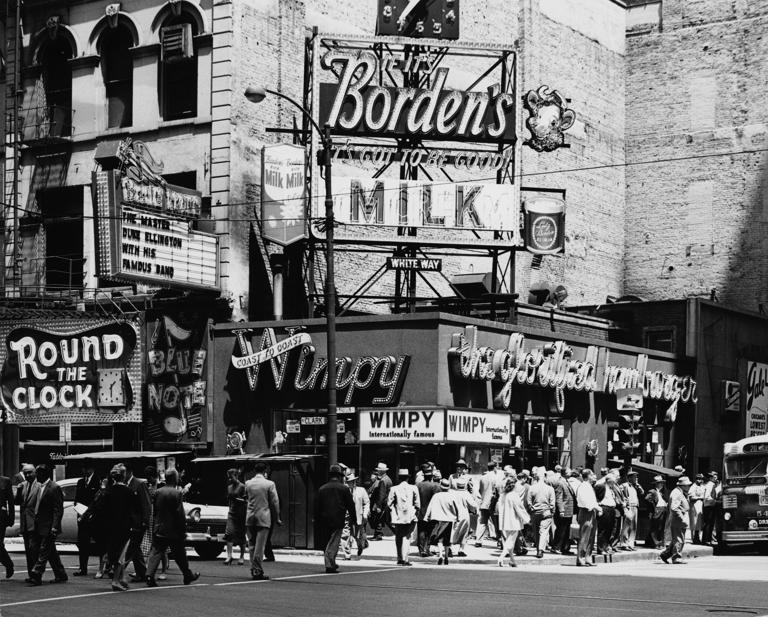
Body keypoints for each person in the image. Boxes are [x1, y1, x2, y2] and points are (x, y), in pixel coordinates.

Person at [146, 468, 200, 586]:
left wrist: (154, 526)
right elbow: (179, 513)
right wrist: (183, 530)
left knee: (156, 551)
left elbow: (155, 511)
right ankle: (187, 575)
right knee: (180, 554)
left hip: (159, 527)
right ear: (175, 478)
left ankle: (149, 575)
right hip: (174, 529)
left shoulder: (158, 492)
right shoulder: (177, 493)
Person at [28, 465, 67, 586]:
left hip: (49, 525)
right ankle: (61, 574)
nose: (35, 476)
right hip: (39, 524)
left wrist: (55, 526)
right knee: (45, 550)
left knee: (44, 550)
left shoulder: (54, 488)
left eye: (37, 473)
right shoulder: (39, 486)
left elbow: (58, 509)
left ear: (44, 474)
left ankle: (37, 574)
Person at [245, 462, 281, 580]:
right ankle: (257, 570)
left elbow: (246, 497)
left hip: (250, 516)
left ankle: (253, 568)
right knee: (260, 546)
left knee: (251, 544)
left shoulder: (248, 483)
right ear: (265, 471)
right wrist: (278, 517)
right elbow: (275, 501)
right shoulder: (269, 484)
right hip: (263, 517)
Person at [318, 464, 356, 574]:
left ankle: (331, 562)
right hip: (338, 519)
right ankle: (329, 564)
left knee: (327, 542)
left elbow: (317, 506)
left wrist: (317, 519)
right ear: (339, 476)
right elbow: (351, 505)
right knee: (334, 543)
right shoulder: (344, 489)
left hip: (324, 519)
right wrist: (353, 519)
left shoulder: (322, 489)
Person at [124, 463, 151, 583]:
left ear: (129, 471)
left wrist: (145, 521)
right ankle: (142, 573)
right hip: (129, 522)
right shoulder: (125, 484)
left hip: (138, 522)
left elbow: (146, 504)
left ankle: (118, 570)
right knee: (135, 549)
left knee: (132, 547)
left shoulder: (139, 484)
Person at [72, 463, 100, 576]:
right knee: (83, 543)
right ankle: (82, 568)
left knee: (100, 543)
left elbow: (98, 500)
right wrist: (78, 508)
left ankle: (103, 568)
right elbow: (77, 498)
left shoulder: (98, 481)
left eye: (87, 468)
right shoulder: (80, 482)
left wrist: (90, 512)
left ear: (92, 469)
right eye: (83, 468)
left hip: (94, 517)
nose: (85, 471)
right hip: (82, 515)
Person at [388, 469, 420, 566]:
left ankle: (399, 557)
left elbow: (389, 504)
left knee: (398, 537)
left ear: (399, 478)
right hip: (410, 516)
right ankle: (405, 558)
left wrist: (393, 513)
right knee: (407, 537)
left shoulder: (393, 489)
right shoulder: (414, 488)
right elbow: (417, 504)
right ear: (408, 478)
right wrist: (415, 513)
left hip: (398, 517)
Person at [497, 473, 530, 567]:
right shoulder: (514, 495)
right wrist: (527, 519)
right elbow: (520, 509)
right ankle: (501, 557)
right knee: (510, 542)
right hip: (513, 521)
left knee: (509, 540)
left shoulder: (503, 495)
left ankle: (512, 561)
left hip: (504, 521)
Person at [424, 479, 459, 565]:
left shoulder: (436, 496)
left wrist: (426, 516)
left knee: (439, 539)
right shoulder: (451, 496)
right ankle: (446, 556)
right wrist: (457, 518)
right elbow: (456, 508)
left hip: (438, 519)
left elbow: (430, 507)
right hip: (449, 520)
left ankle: (440, 555)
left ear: (441, 486)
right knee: (447, 539)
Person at [14, 463, 39, 581]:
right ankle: (31, 574)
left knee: (34, 550)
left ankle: (35, 575)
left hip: (35, 523)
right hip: (25, 524)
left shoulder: (39, 486)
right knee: (29, 551)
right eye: (25, 473)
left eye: (30, 473)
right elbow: (17, 502)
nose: (28, 475)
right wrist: (19, 491)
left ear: (35, 473)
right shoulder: (23, 485)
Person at [660, 476, 692, 564]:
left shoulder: (680, 492)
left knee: (677, 539)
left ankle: (666, 554)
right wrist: (682, 518)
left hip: (679, 519)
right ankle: (676, 557)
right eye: (688, 485)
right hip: (678, 520)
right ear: (683, 486)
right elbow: (674, 508)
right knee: (679, 539)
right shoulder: (677, 493)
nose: (689, 487)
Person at [526, 468, 555, 558]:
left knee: (536, 531)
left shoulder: (532, 488)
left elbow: (528, 501)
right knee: (543, 531)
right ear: (544, 477)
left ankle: (538, 548)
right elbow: (552, 503)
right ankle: (540, 550)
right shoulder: (550, 489)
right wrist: (552, 512)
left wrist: (531, 509)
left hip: (535, 511)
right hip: (546, 511)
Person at [575, 468, 601, 567]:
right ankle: (580, 558)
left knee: (591, 536)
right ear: (588, 476)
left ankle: (588, 558)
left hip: (591, 512)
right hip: (586, 511)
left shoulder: (589, 486)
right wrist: (596, 507)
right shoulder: (583, 486)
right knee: (584, 536)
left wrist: (597, 508)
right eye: (593, 474)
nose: (595, 476)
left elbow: (592, 500)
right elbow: (584, 501)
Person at [342, 470, 369, 559]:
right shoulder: (344, 491)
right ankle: (347, 554)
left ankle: (360, 545)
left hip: (358, 516)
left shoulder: (361, 490)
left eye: (353, 481)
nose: (352, 483)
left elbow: (367, 502)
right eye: (350, 481)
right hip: (346, 516)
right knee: (345, 534)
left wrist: (365, 513)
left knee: (357, 535)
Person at [594, 470, 622, 555]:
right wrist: (598, 509)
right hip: (604, 508)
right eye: (613, 482)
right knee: (603, 529)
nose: (614, 483)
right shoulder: (601, 486)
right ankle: (600, 548)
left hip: (611, 509)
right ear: (609, 481)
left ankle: (605, 547)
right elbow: (597, 498)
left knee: (609, 529)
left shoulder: (611, 489)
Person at [224, 468, 247, 565]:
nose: (230, 479)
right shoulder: (229, 487)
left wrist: (237, 499)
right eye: (228, 478)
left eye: (231, 477)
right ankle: (229, 556)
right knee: (229, 534)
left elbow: (246, 501)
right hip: (232, 513)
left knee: (241, 535)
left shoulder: (242, 487)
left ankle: (241, 556)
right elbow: (229, 500)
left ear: (236, 476)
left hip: (241, 514)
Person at [416, 463, 440, 557]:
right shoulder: (434, 486)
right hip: (431, 512)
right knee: (429, 532)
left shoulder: (418, 485)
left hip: (420, 512)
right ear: (431, 476)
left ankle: (421, 550)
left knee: (421, 531)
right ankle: (427, 549)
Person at [450, 477, 476, 557]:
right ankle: (461, 549)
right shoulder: (466, 493)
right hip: (464, 514)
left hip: (454, 514)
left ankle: (450, 548)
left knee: (453, 531)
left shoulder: (452, 493)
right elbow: (473, 504)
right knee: (464, 533)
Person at [474, 461, 499, 547]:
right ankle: (500, 540)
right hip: (493, 503)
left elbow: (479, 490)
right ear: (495, 467)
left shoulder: (482, 478)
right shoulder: (496, 478)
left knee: (482, 522)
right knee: (496, 523)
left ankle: (478, 540)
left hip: (484, 502)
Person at [619, 470, 644, 551]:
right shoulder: (624, 485)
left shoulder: (635, 486)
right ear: (629, 478)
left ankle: (631, 543)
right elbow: (621, 494)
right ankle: (624, 543)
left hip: (635, 506)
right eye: (634, 477)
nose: (636, 478)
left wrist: (638, 485)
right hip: (629, 507)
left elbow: (642, 493)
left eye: (636, 477)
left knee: (633, 526)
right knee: (626, 526)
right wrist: (625, 504)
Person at [553, 466, 575, 554]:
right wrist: (561, 510)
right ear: (565, 473)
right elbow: (559, 497)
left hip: (568, 510)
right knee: (561, 529)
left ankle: (565, 548)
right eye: (569, 471)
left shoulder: (566, 481)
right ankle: (556, 547)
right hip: (564, 510)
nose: (571, 472)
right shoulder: (560, 483)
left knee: (566, 530)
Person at [369, 462, 392, 541]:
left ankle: (378, 534)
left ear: (381, 471)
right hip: (385, 502)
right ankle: (378, 534)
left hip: (382, 503)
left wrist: (378, 505)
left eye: (378, 470)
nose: (377, 471)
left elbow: (381, 494)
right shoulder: (387, 479)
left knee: (378, 518)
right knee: (382, 519)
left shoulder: (383, 480)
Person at [645, 475, 668, 549]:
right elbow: (647, 499)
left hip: (663, 509)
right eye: (660, 483)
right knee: (655, 527)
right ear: (656, 484)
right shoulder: (652, 491)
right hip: (658, 510)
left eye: (662, 483)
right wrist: (653, 507)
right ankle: (656, 543)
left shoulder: (661, 492)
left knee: (661, 527)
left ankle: (658, 543)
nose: (662, 484)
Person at [0, 473, 14, 579]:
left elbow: (10, 501)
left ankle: (8, 564)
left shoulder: (5, 481)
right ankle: (8, 563)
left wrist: (11, 518)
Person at [688, 473, 705, 544]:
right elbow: (691, 497)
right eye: (698, 479)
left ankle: (698, 537)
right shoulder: (693, 487)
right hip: (694, 505)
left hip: (701, 506)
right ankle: (695, 538)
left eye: (701, 479)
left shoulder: (702, 486)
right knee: (694, 522)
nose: (700, 480)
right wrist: (699, 498)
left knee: (699, 522)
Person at [702, 471, 719, 545]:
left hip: (711, 506)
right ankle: (706, 540)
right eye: (714, 477)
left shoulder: (713, 485)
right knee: (708, 523)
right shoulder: (710, 485)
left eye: (716, 476)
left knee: (711, 523)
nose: (716, 478)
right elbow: (707, 497)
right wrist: (715, 501)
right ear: (711, 478)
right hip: (709, 506)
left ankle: (708, 539)